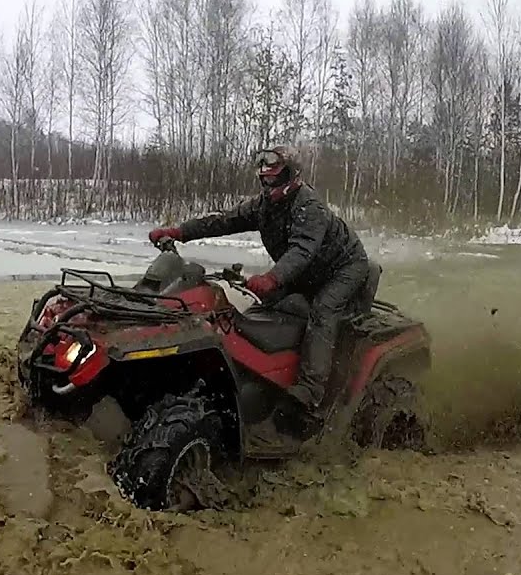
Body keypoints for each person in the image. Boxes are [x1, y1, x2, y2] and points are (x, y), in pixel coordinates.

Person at [149, 145, 370, 433]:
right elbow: (225, 220)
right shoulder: (265, 205)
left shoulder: (309, 207)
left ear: (291, 175)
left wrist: (272, 277)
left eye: (274, 179)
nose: (268, 184)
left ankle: (310, 391)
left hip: (343, 267)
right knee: (265, 306)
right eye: (264, 180)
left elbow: (302, 251)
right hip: (308, 269)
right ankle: (262, 375)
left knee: (323, 311)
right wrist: (180, 232)